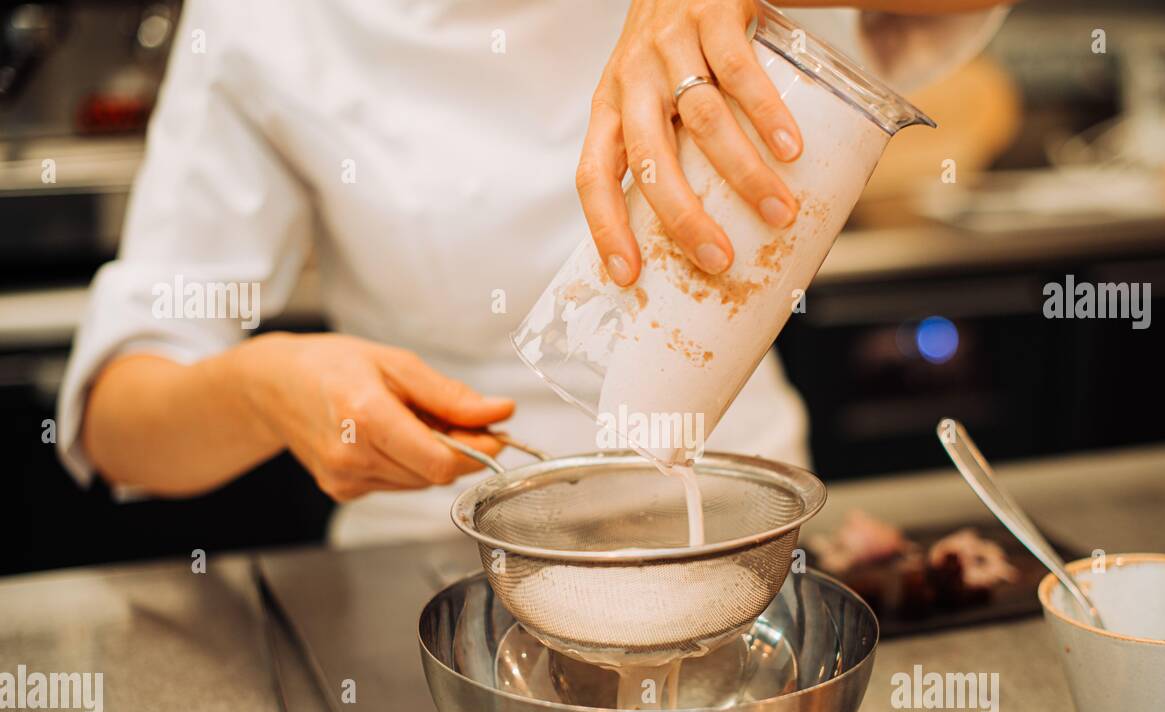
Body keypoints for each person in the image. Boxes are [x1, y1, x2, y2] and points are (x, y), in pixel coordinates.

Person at [57, 0, 1008, 546]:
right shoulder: (271, 21)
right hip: (442, 564)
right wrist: (271, 390)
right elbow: (119, 413)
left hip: (736, 529)